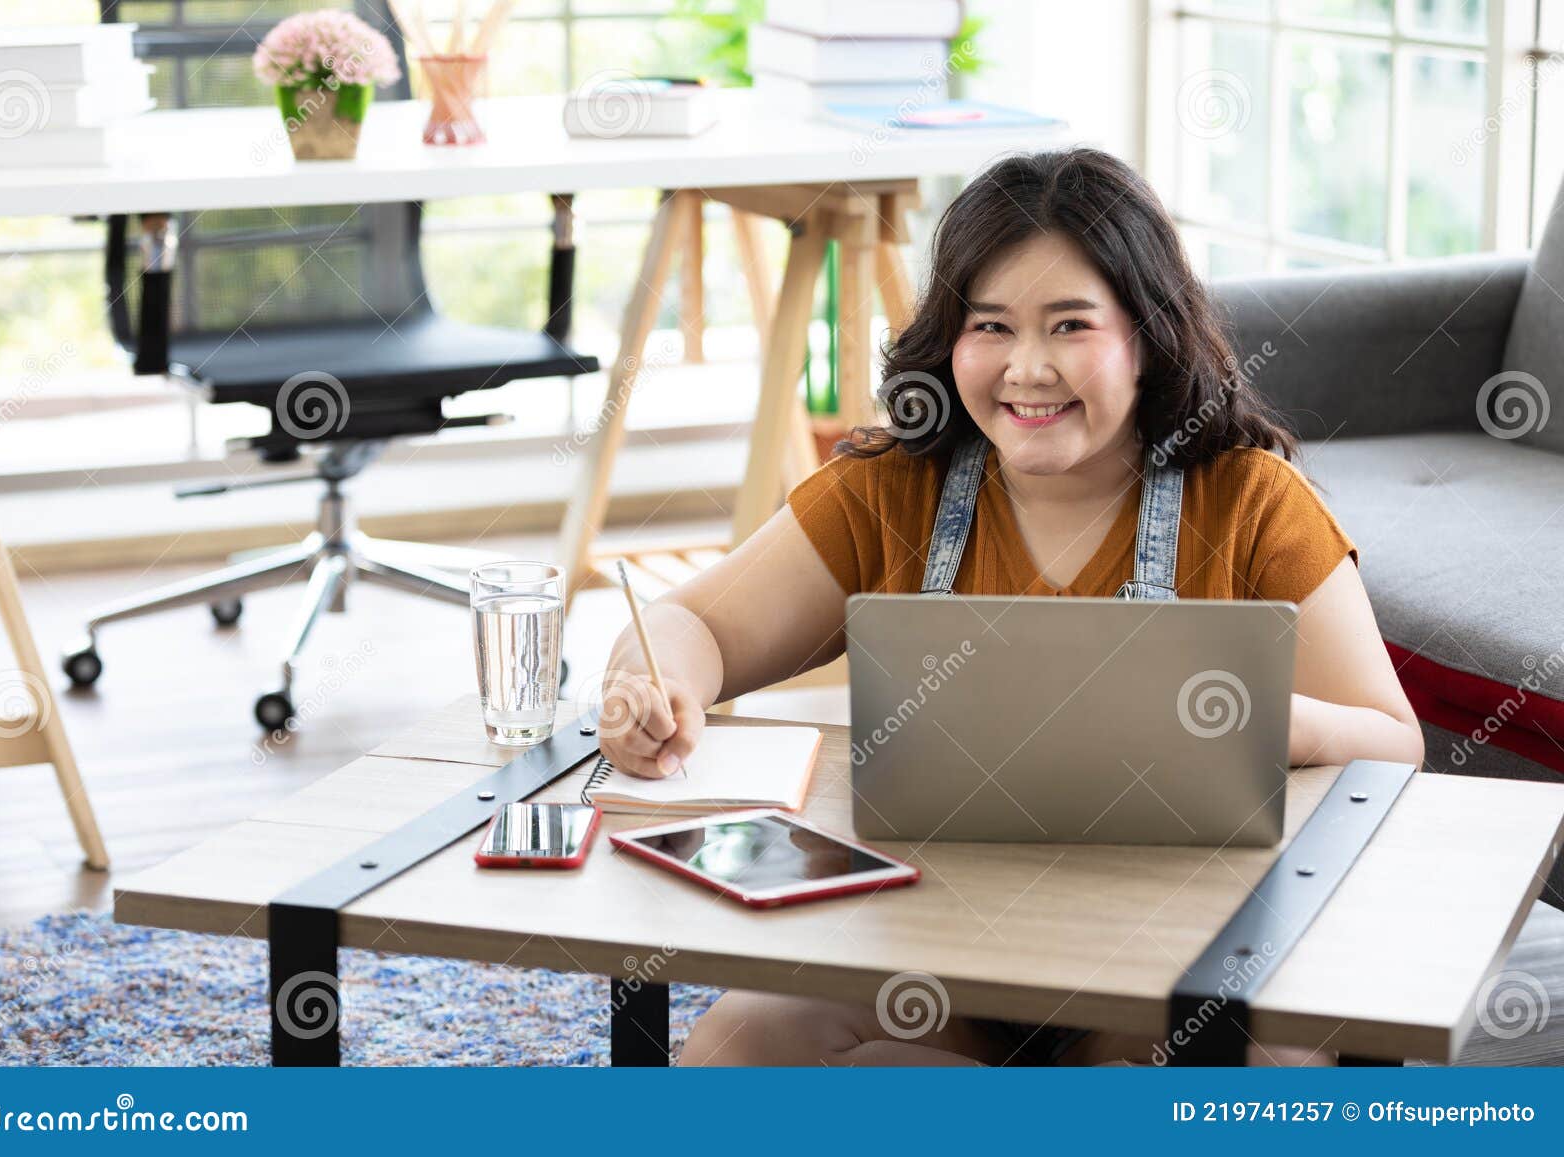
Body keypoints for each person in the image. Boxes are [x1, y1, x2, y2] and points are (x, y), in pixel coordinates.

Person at [596, 147, 1424, 1066]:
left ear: (1147, 336)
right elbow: (693, 622)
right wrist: (659, 682)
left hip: (1170, 969)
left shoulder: (1251, 500)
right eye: (991, 325)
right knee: (737, 1046)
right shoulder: (889, 489)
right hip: (929, 956)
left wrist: (1262, 719)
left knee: (1251, 1071)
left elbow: (1395, 740)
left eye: (1071, 325)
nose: (1028, 368)